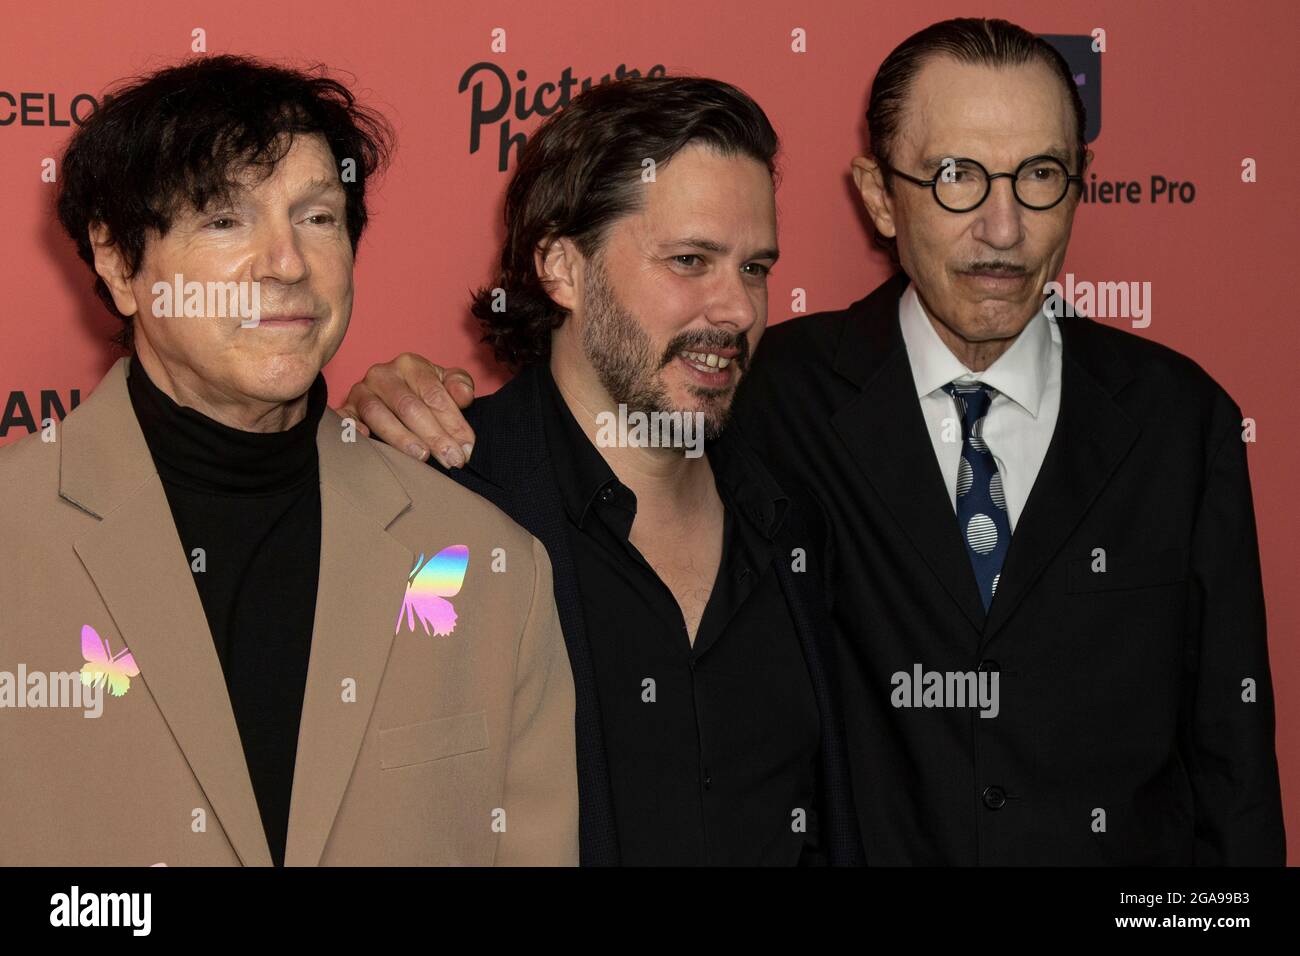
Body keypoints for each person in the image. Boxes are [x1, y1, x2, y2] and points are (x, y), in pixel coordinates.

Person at [344, 18, 1286, 865]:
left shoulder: (1180, 418)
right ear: (881, 197)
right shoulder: (777, 391)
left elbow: (1233, 770)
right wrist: (386, 418)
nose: (1003, 227)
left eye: (1040, 176)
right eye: (956, 176)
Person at [0, 55, 577, 867]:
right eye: (226, 220)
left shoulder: (491, 566)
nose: (287, 263)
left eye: (317, 218)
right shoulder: (11, 538)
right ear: (119, 263)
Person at [344, 75, 862, 866]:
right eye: (691, 260)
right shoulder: (439, 504)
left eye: (755, 268)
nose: (738, 310)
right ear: (562, 268)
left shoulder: (792, 521)